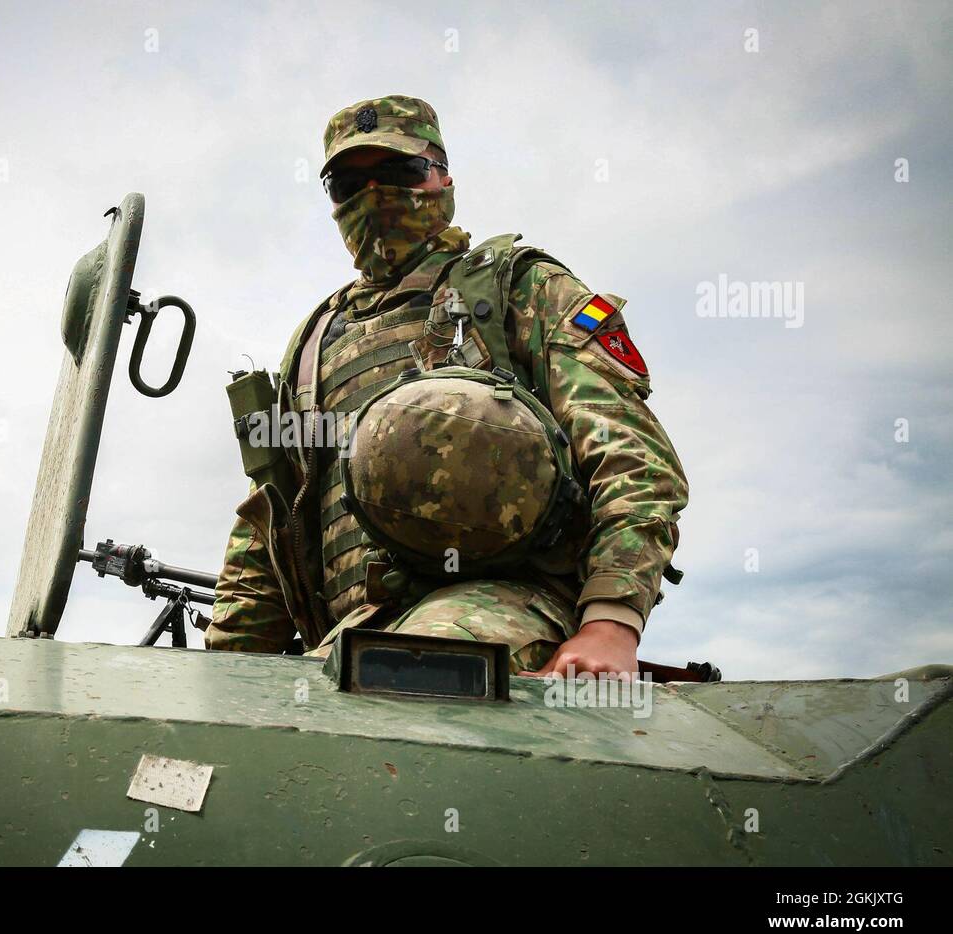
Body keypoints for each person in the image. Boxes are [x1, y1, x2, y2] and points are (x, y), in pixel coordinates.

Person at [205, 95, 688, 678]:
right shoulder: (312, 344)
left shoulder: (517, 287)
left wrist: (610, 622)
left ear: (442, 178)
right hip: (347, 638)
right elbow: (272, 519)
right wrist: (226, 672)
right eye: (348, 183)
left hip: (501, 603)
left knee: (403, 671)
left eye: (398, 171)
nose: (374, 195)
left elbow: (632, 458)